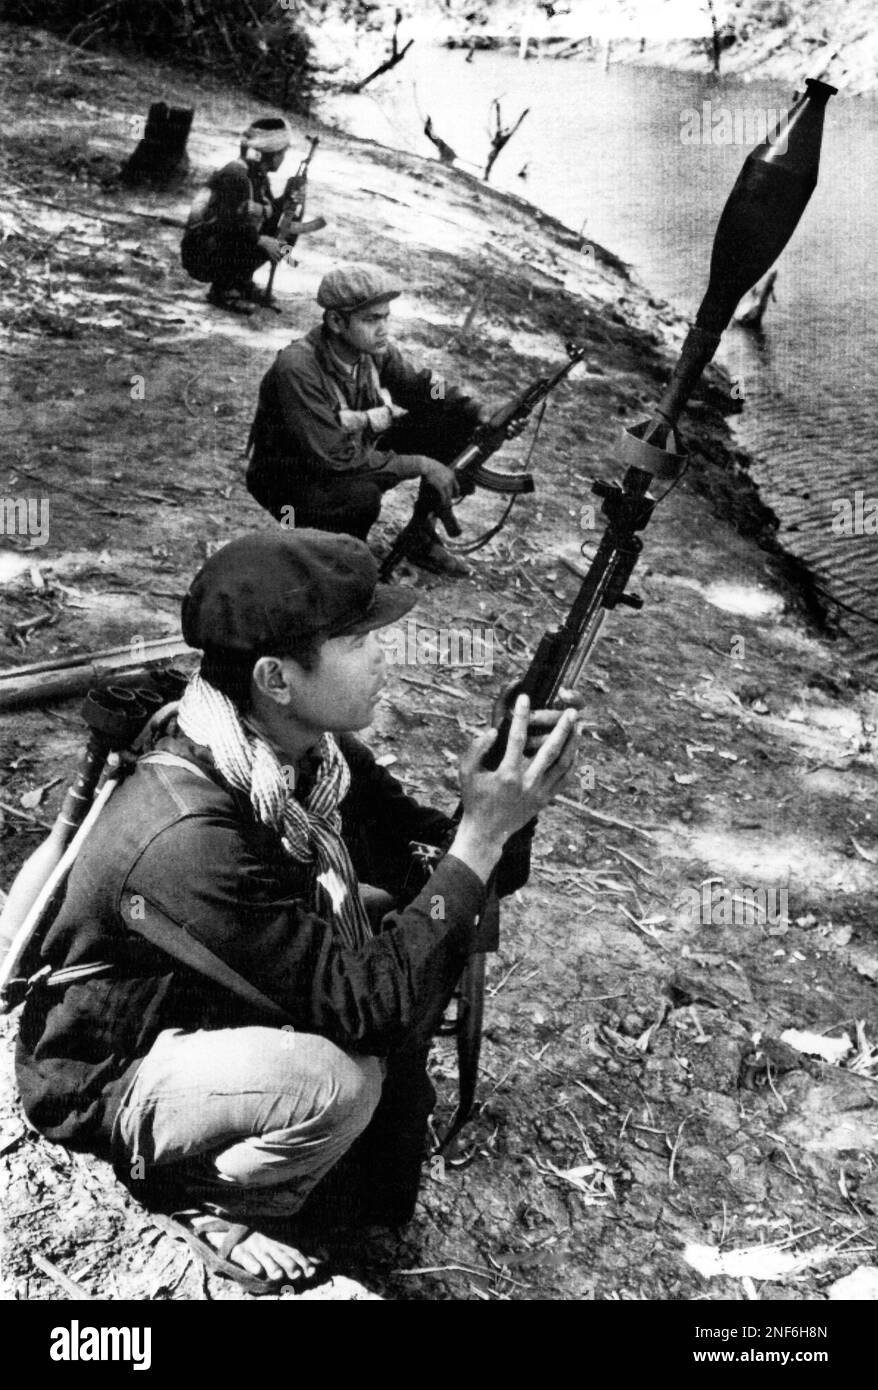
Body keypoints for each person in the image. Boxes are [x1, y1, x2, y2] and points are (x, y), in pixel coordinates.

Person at [16, 530, 582, 1293]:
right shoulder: (188, 833)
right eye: (356, 641)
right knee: (338, 1082)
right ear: (276, 678)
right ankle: (213, 1201)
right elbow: (369, 1009)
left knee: (399, 920)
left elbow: (438, 877)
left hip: (207, 997)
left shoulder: (308, 759)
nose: (383, 656)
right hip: (111, 1071)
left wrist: (505, 802)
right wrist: (479, 838)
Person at [246, 266, 498, 577]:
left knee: (452, 420)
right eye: (371, 319)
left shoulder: (371, 352)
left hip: (346, 451)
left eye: (385, 317)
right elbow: (334, 458)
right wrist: (420, 464)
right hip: (292, 479)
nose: (383, 329)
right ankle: (339, 563)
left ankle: (419, 537)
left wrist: (476, 410)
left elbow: (423, 387)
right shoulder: (297, 369)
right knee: (360, 497)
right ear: (336, 321)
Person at [180, 116, 293, 315]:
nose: (283, 158)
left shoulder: (256, 175)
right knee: (257, 237)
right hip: (203, 252)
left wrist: (290, 197)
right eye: (283, 152)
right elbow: (224, 223)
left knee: (290, 227)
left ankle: (240, 281)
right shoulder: (237, 176)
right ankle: (224, 289)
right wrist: (260, 240)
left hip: (222, 242)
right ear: (272, 154)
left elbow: (269, 213)